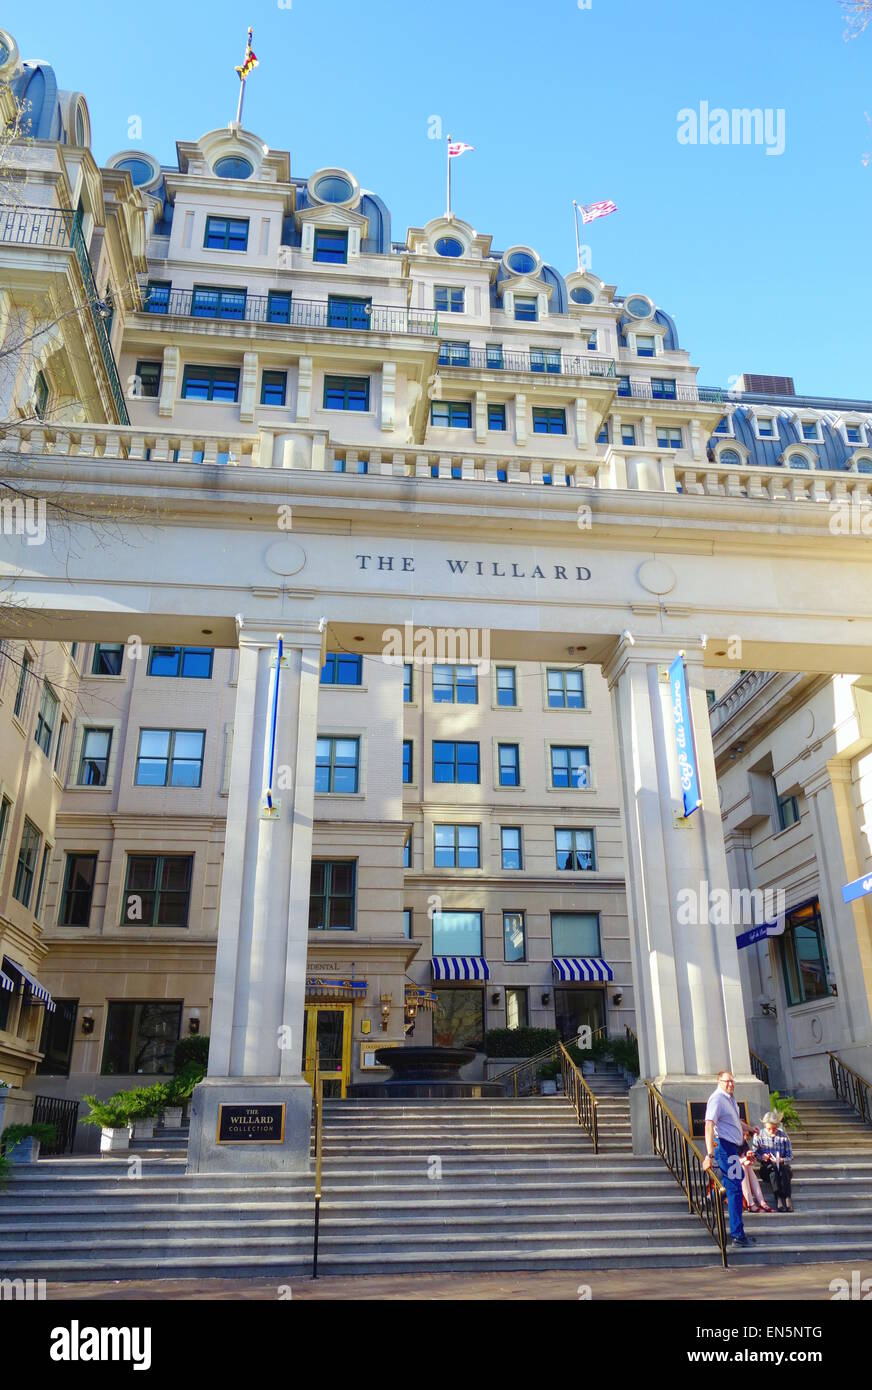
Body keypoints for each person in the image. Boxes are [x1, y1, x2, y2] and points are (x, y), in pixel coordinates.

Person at [702, 1070, 758, 1247]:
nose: (731, 1084)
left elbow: (735, 1122)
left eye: (732, 1082)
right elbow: (709, 1125)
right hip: (724, 1147)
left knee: (737, 1177)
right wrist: (709, 1155)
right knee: (735, 1188)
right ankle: (738, 1235)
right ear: (719, 1081)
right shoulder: (717, 1099)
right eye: (727, 1081)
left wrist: (750, 1129)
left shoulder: (731, 1100)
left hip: (732, 1148)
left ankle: (713, 1197)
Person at [752, 1110, 794, 1211]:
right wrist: (762, 1157)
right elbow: (755, 1153)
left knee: (783, 1170)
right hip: (767, 1167)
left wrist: (781, 1160)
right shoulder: (759, 1135)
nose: (772, 1131)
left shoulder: (783, 1136)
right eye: (769, 1129)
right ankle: (778, 1198)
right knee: (772, 1171)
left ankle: (787, 1199)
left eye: (774, 1129)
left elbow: (790, 1156)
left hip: (782, 1166)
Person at [739, 1140, 774, 1212]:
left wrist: (750, 1157)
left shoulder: (741, 1140)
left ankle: (761, 1202)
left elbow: (746, 1155)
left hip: (742, 1168)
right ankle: (751, 1203)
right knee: (743, 1167)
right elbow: (730, 1160)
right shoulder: (729, 1139)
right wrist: (744, 1159)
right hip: (729, 1170)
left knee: (747, 1166)